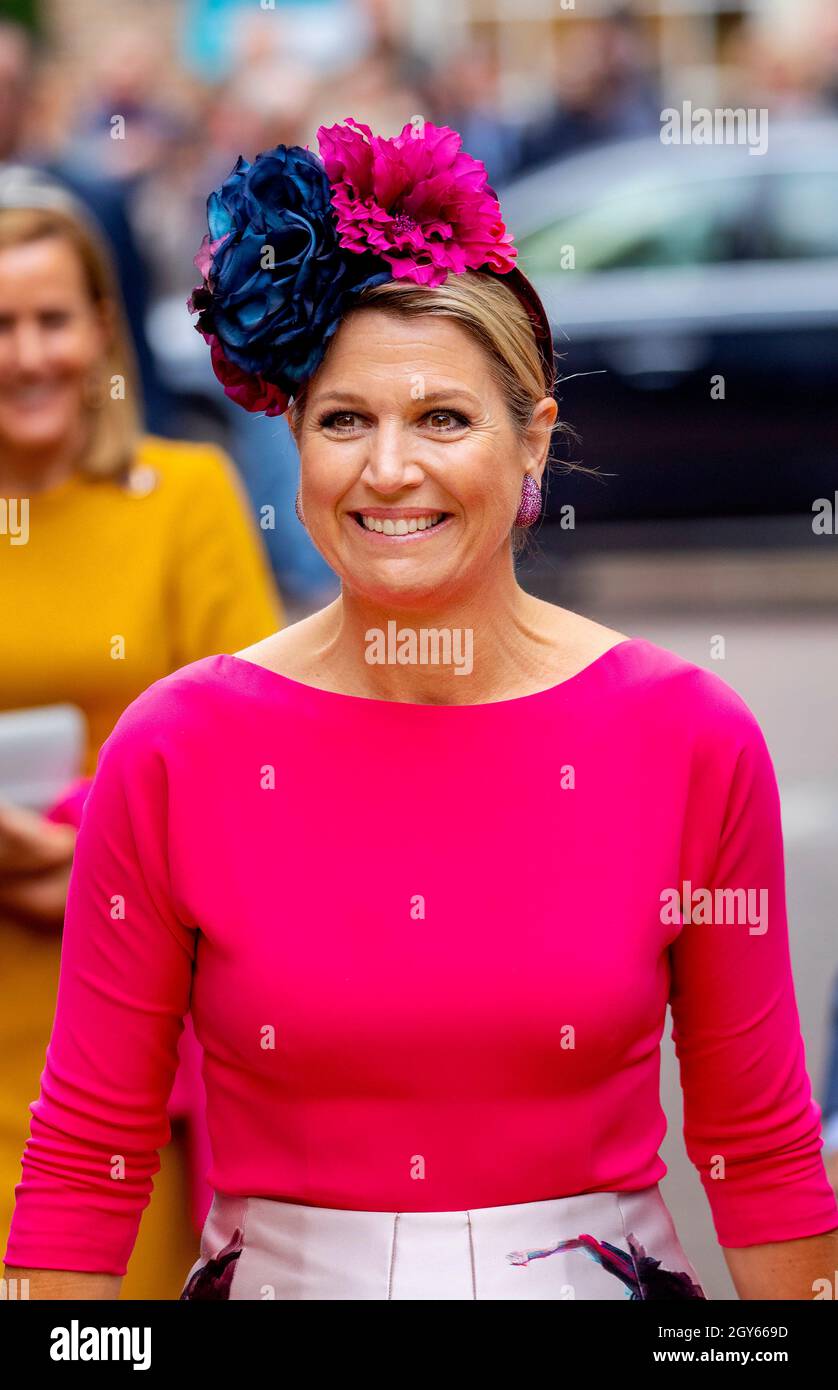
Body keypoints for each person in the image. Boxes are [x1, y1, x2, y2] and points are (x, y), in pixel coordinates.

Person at [4, 118, 838, 1301]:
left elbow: (757, 1145)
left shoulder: (688, 734)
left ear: (531, 442)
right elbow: (88, 1154)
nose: (388, 469)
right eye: (345, 421)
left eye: (443, 418)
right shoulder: (179, 747)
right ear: (294, 443)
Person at [0, 168, 285, 1298]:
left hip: (123, 1010)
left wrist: (83, 856)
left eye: (52, 319)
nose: (27, 356)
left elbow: (261, 763)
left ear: (103, 329)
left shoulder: (185, 495)